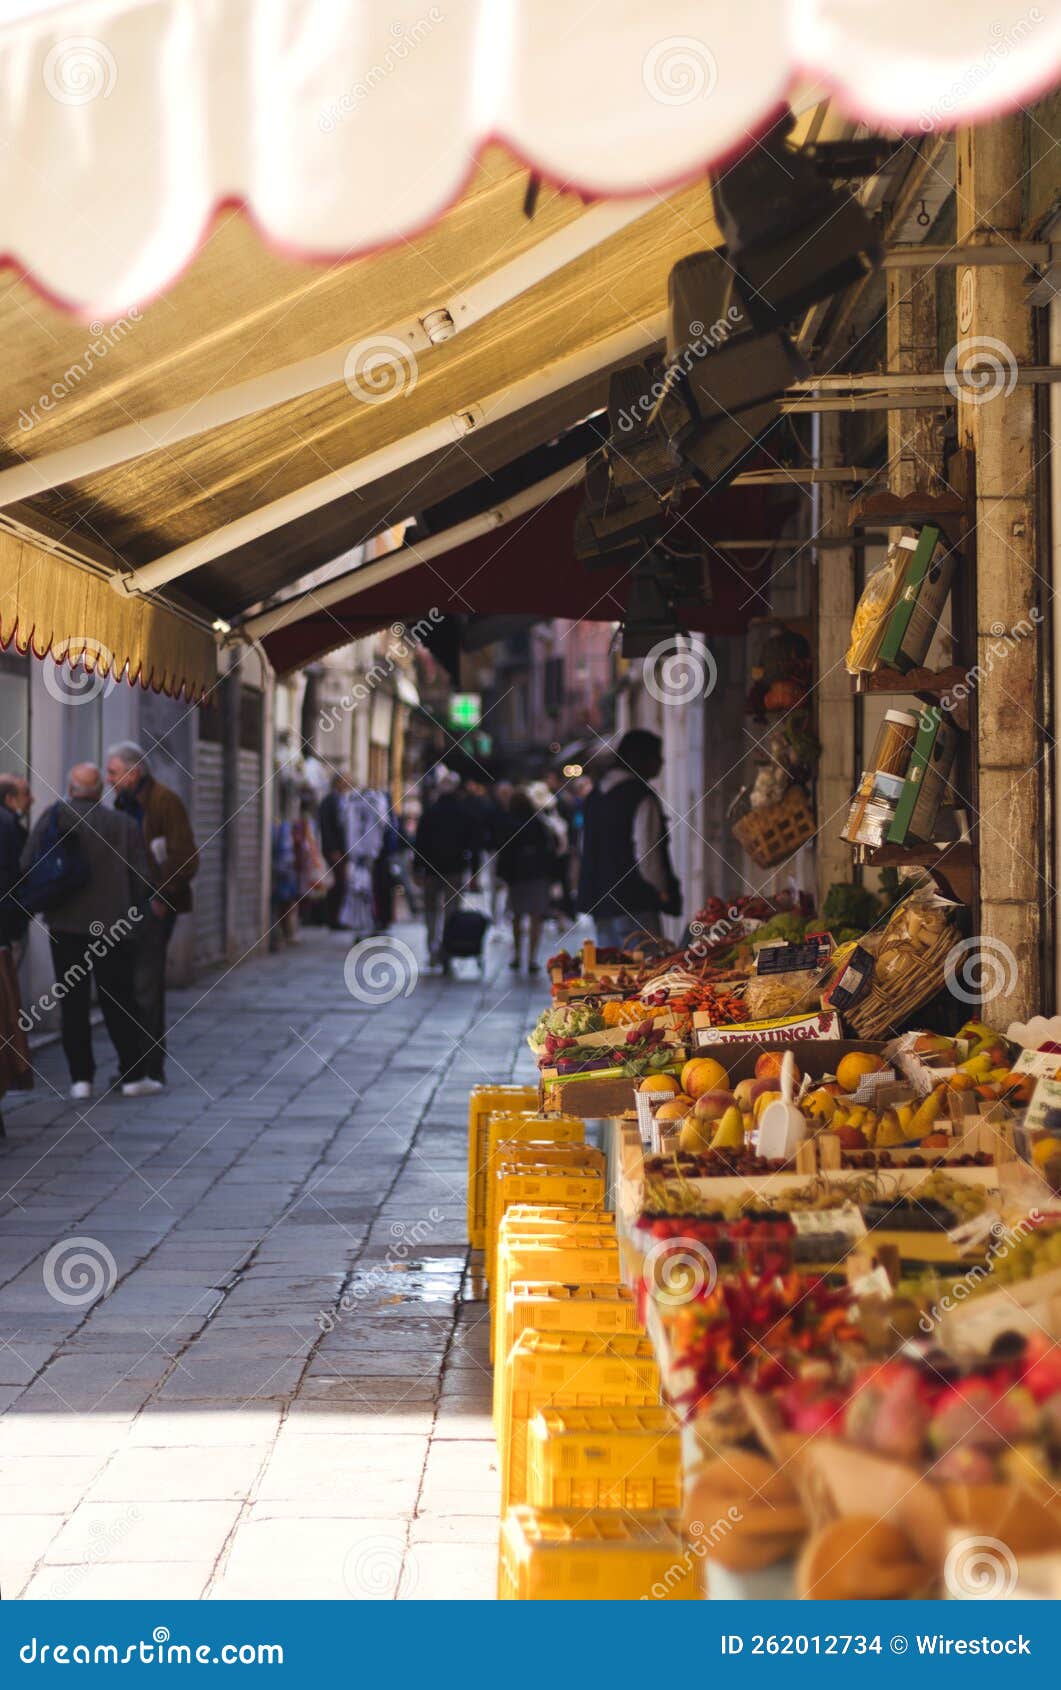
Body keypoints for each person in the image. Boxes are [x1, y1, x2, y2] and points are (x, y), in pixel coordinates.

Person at [22, 764, 153, 1099]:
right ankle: (133, 1074)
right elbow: (142, 878)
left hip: (65, 925)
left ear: (70, 787)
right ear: (99, 791)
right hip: (113, 927)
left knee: (73, 1003)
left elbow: (28, 864)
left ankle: (81, 1079)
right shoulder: (123, 825)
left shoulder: (54, 818)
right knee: (118, 1000)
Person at [106, 742, 198, 1088]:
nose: (108, 779)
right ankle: (131, 1064)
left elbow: (185, 857)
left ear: (134, 771)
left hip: (151, 906)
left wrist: (162, 895)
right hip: (120, 907)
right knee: (122, 987)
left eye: (113, 772)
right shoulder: (121, 803)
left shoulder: (164, 802)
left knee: (145, 987)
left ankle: (150, 1067)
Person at [577, 729, 681, 950]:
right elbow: (647, 854)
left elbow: (583, 846)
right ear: (641, 759)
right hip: (634, 903)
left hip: (602, 904)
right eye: (656, 756)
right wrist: (662, 891)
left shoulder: (595, 797)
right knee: (646, 975)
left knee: (613, 973)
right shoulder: (640, 796)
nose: (661, 763)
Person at [413, 774, 481, 973]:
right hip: (455, 869)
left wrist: (417, 868)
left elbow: (420, 842)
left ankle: (432, 947)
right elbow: (473, 844)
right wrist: (474, 871)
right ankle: (447, 949)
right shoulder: (464, 812)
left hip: (431, 869)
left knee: (431, 910)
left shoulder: (431, 812)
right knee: (451, 911)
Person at [497, 788, 558, 973]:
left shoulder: (508, 823)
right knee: (535, 917)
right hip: (537, 876)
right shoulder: (537, 822)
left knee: (516, 916)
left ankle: (516, 955)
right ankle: (532, 958)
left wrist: (503, 876)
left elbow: (504, 851)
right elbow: (550, 848)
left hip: (516, 877)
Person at [0, 774, 33, 964]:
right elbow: (13, 872)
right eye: (26, 794)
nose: (31, 799)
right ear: (10, 799)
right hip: (9, 918)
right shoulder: (9, 825)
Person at [318, 771, 350, 930]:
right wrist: (333, 849)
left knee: (339, 883)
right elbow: (327, 828)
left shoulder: (340, 800)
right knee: (337, 883)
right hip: (333, 850)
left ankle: (335, 917)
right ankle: (332, 918)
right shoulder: (330, 801)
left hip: (340, 850)